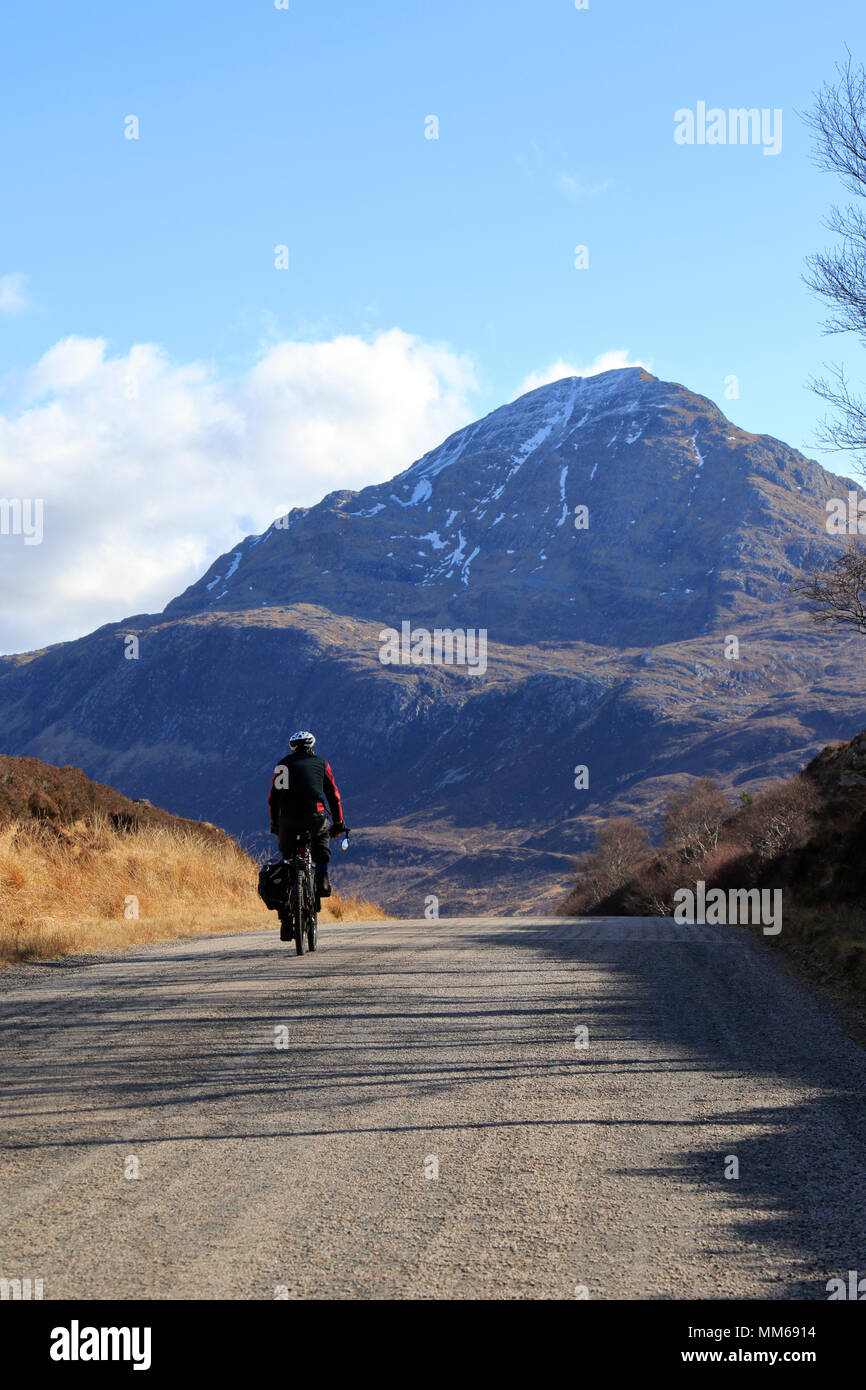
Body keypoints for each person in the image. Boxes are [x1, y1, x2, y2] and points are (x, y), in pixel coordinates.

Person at [268, 730, 347, 939]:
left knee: (287, 862)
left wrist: (275, 825)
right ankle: (321, 879)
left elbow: (273, 799)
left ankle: (286, 918)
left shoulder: (282, 765)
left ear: (292, 747)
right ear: (312, 746)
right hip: (315, 817)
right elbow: (333, 795)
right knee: (321, 849)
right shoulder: (321, 764)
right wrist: (338, 823)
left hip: (288, 821)